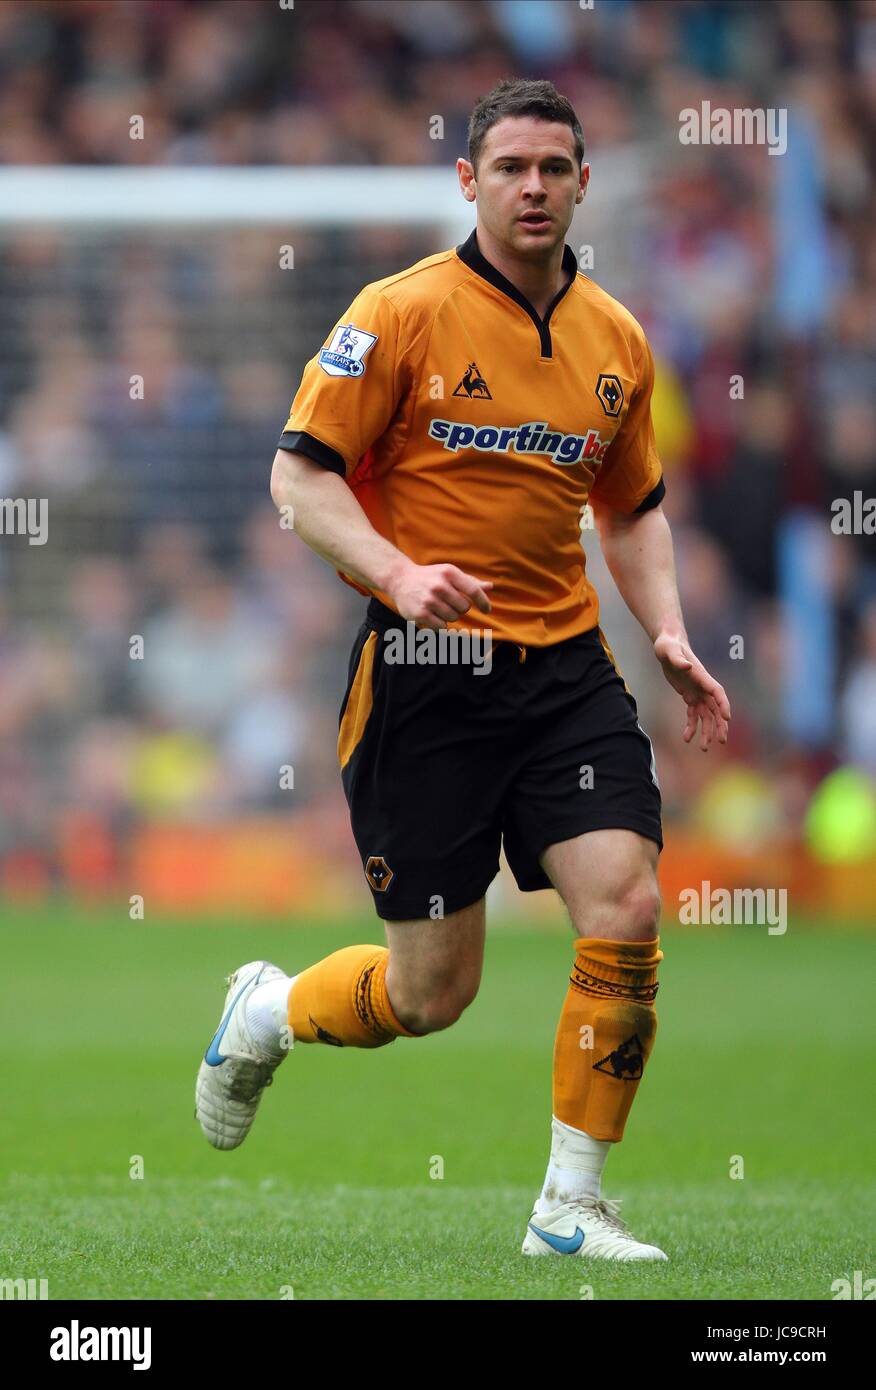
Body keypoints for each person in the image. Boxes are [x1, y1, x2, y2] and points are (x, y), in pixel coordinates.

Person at [195, 78, 730, 1262]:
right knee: (430, 995)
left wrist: (672, 631)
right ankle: (269, 1009)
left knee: (628, 902)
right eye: (510, 168)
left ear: (584, 181)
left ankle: (569, 1206)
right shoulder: (398, 313)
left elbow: (633, 508)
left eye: (554, 167)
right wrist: (397, 574)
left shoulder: (618, 340)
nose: (532, 186)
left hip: (565, 674)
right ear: (468, 184)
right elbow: (301, 482)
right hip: (426, 675)